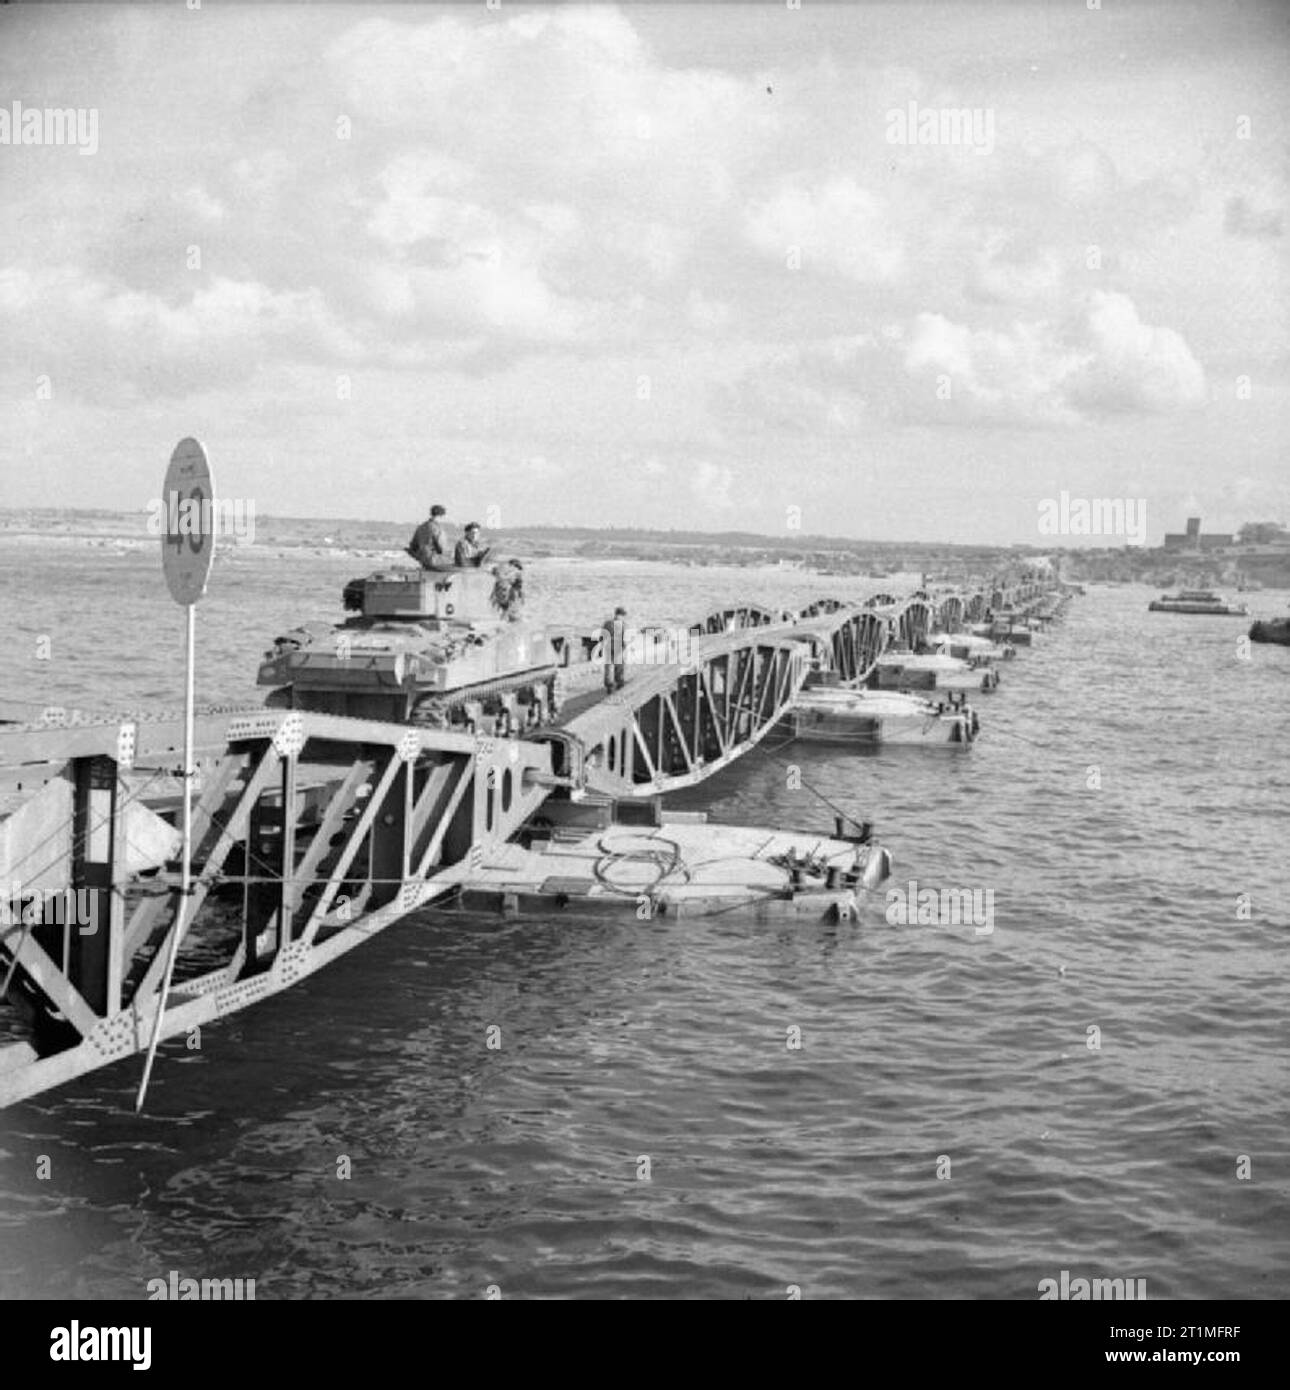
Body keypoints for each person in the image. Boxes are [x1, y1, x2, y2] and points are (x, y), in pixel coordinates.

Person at [406, 504, 450, 570]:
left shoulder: (421, 527)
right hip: (435, 562)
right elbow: (441, 549)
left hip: (423, 561)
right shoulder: (438, 529)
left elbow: (413, 546)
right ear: (441, 516)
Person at [603, 606, 628, 692]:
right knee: (619, 666)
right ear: (620, 615)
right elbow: (624, 638)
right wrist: (624, 647)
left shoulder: (607, 623)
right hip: (618, 647)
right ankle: (619, 682)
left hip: (608, 647)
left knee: (608, 667)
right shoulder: (622, 624)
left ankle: (609, 684)